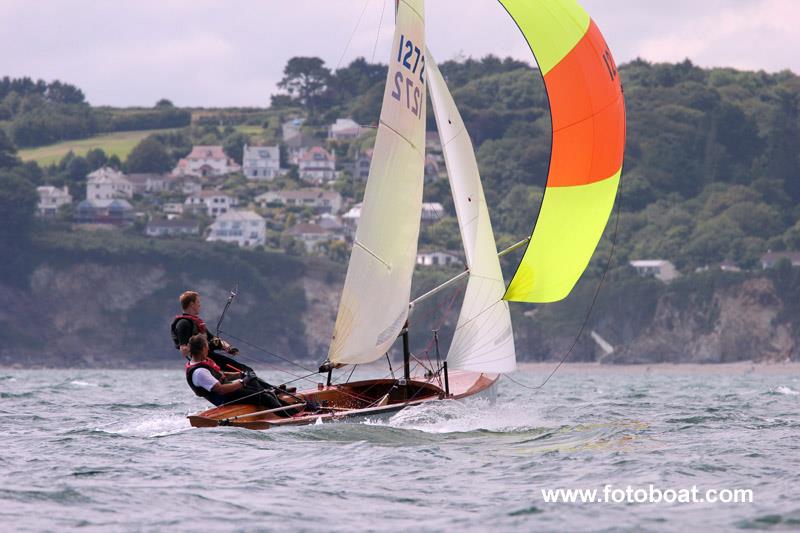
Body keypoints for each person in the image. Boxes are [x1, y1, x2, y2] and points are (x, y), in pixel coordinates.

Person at [185, 334, 300, 415]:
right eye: (207, 347)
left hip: (229, 393)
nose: (208, 350)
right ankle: (293, 416)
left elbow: (221, 375)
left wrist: (240, 374)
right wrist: (243, 382)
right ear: (202, 349)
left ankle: (293, 409)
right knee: (266, 397)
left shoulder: (201, 363)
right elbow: (220, 389)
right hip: (225, 398)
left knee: (266, 391)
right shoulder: (199, 372)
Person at [170, 290, 246, 373]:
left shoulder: (196, 322)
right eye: (198, 302)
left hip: (209, 356)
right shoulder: (183, 323)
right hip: (203, 360)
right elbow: (184, 350)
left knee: (244, 371)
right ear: (192, 304)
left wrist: (229, 348)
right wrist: (201, 348)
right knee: (245, 371)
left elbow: (212, 338)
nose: (200, 305)